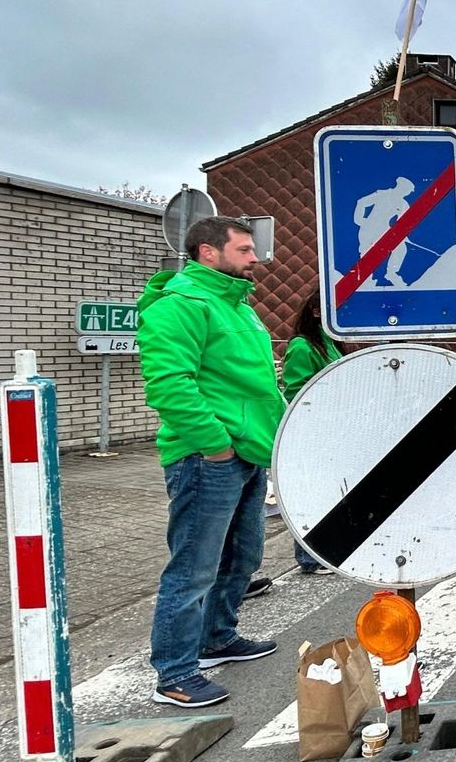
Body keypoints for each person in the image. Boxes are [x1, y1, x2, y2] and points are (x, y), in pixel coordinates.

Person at [136, 216, 285, 708]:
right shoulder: (180, 305)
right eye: (243, 250)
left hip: (245, 454)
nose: (254, 258)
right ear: (208, 253)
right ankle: (175, 673)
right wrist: (215, 444)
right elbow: (169, 385)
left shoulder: (237, 307)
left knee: (243, 556)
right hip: (207, 458)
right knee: (194, 567)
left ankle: (217, 638)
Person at [280, 290, 344, 575]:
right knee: (311, 494)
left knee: (329, 493)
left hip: (331, 429)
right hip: (313, 430)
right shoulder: (303, 346)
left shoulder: (331, 343)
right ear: (316, 313)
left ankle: (324, 551)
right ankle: (309, 557)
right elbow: (296, 391)